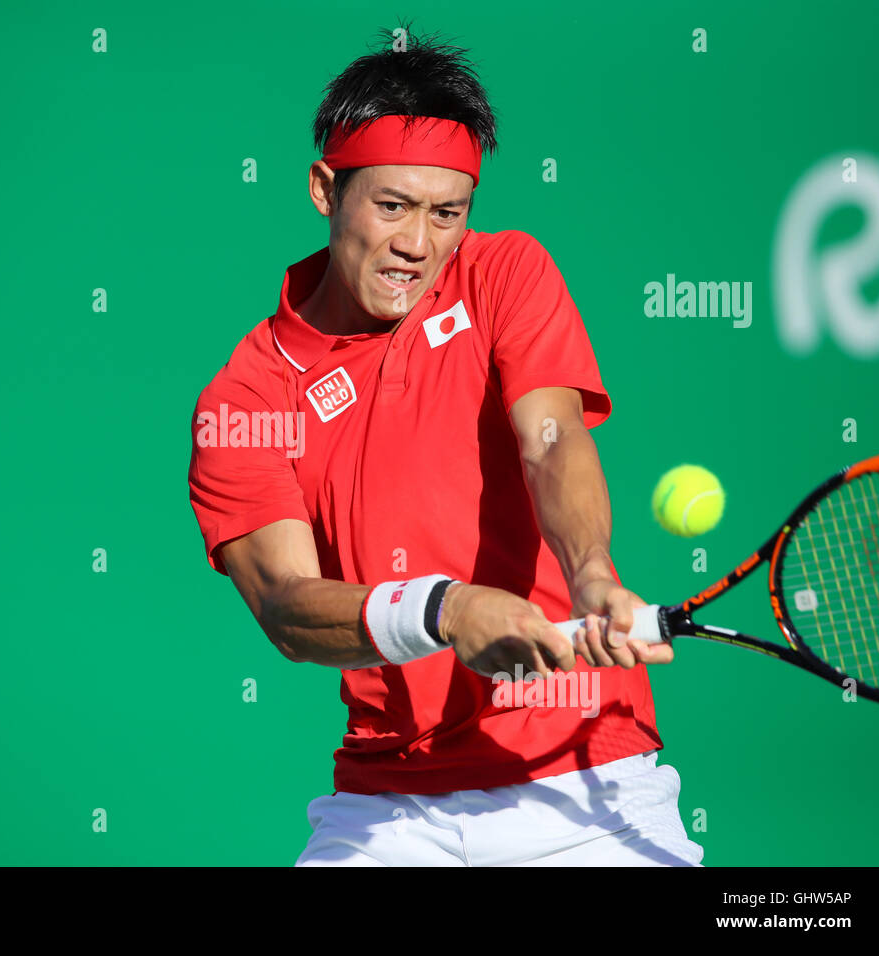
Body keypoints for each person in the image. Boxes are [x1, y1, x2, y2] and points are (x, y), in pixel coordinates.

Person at [187, 26, 704, 866]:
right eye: (391, 206)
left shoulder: (506, 272)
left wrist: (592, 574)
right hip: (387, 814)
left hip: (587, 785)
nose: (418, 245)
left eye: (447, 213)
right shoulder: (247, 397)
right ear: (325, 188)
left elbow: (550, 437)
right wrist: (442, 609)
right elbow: (287, 606)